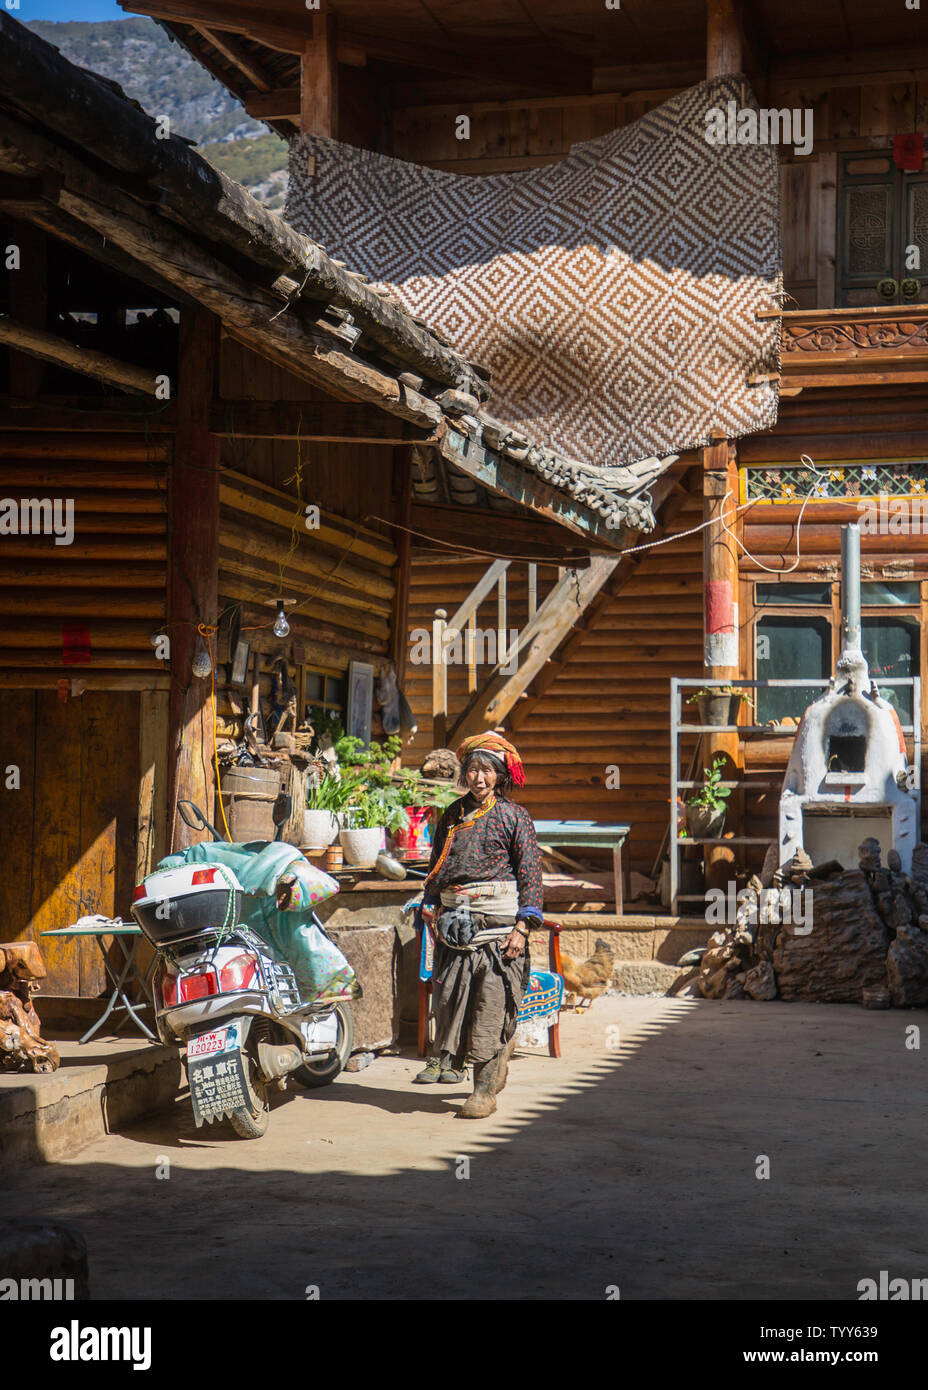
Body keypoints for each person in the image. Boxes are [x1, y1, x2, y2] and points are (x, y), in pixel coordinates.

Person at [413, 732, 543, 1118]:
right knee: (453, 1005)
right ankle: (481, 1066)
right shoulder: (451, 815)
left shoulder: (514, 817)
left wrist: (522, 927)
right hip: (453, 928)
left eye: (487, 770)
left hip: (499, 930)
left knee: (490, 1005)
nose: (479, 778)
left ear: (500, 775)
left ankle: (484, 1091)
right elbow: (437, 866)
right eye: (472, 770)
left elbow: (531, 876)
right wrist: (430, 902)